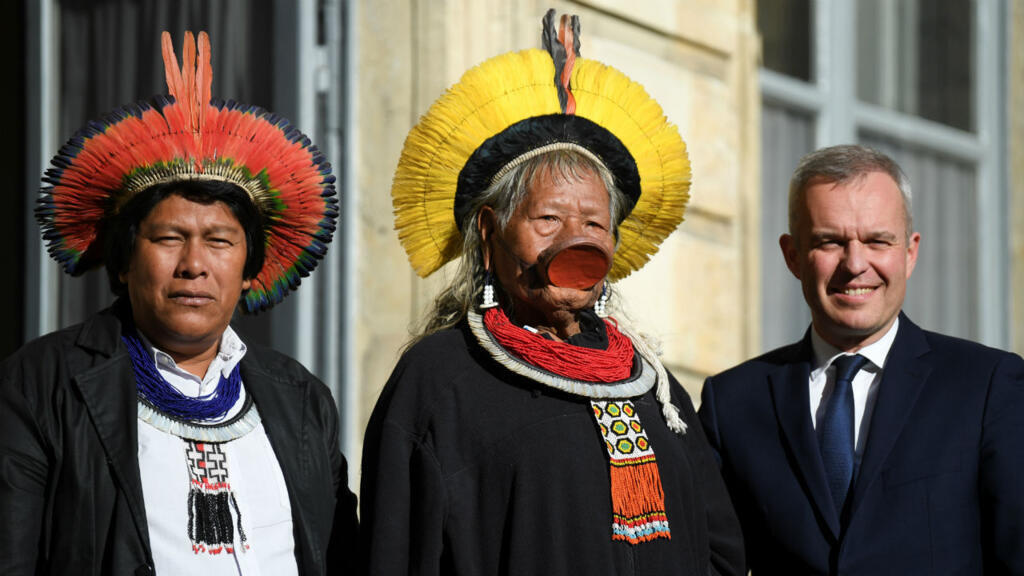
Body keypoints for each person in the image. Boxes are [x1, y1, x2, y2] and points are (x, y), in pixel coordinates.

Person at [358, 10, 744, 576]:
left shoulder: (654, 385)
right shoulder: (439, 381)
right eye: (548, 218)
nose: (574, 241)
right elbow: (397, 555)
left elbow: (721, 555)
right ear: (488, 233)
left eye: (593, 224)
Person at [0, 32, 357, 575]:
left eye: (219, 241)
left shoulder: (302, 400)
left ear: (249, 271)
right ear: (125, 261)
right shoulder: (42, 385)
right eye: (169, 239)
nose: (194, 264)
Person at [699, 144, 1024, 574]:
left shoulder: (988, 388)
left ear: (910, 252)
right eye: (830, 242)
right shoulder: (734, 403)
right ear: (792, 255)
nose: (855, 264)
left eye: (877, 241)